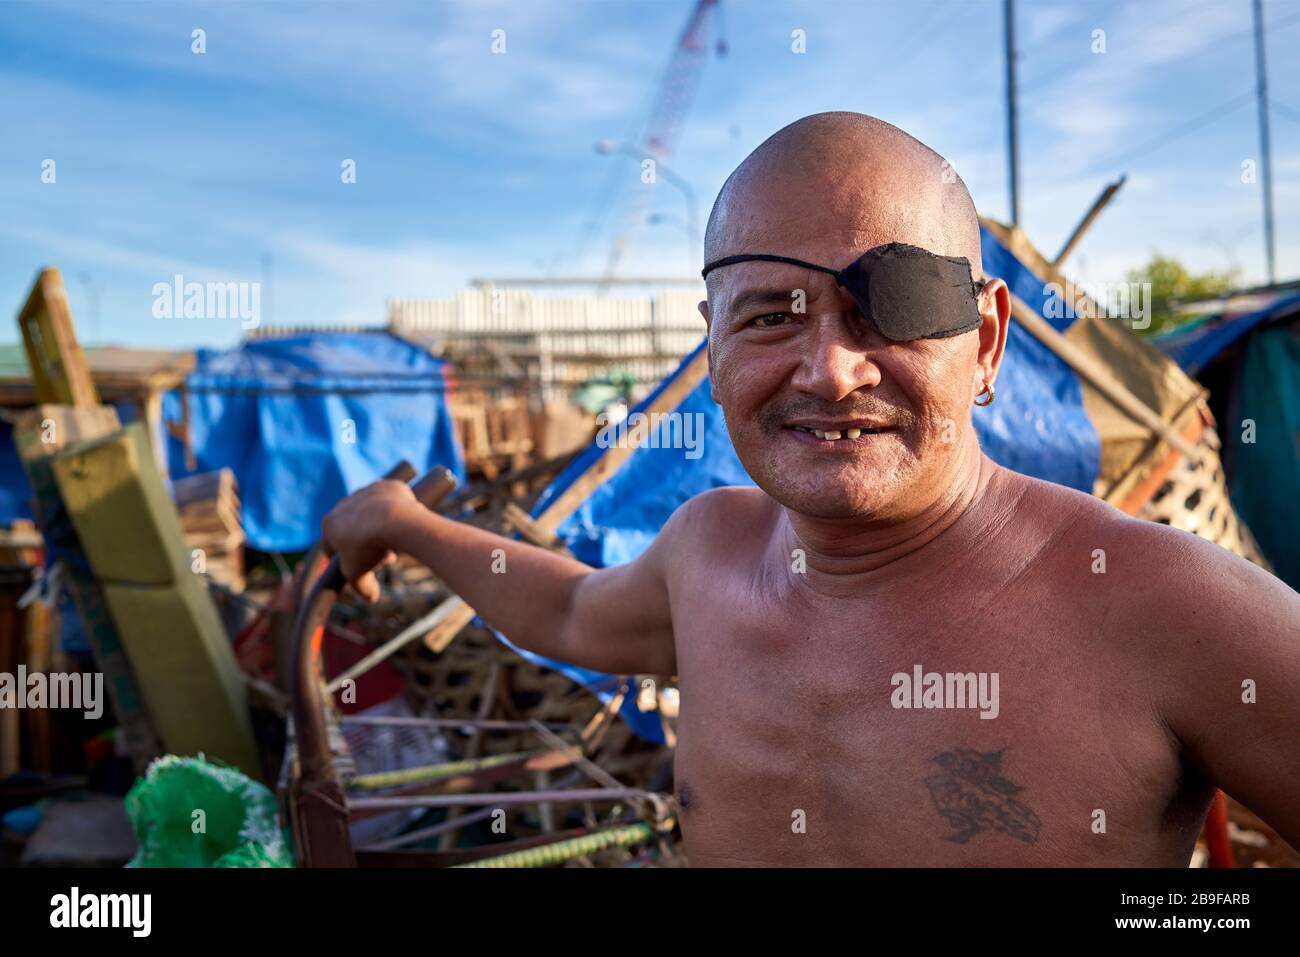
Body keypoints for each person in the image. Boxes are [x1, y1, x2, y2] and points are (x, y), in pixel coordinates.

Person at [321, 112, 1300, 866]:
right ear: (710, 346)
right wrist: (406, 526)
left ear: (987, 342)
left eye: (890, 308)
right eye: (768, 318)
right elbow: (572, 607)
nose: (830, 371)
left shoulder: (1163, 608)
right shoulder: (707, 554)